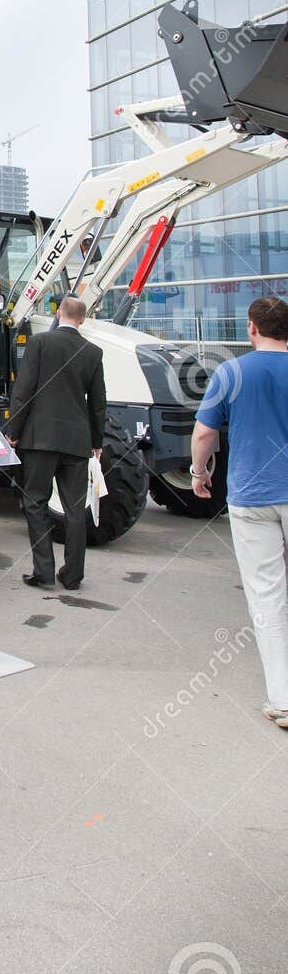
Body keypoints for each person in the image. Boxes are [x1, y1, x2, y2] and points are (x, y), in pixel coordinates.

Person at [192, 295, 288, 729]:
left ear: (252, 328)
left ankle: (282, 699)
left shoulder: (231, 372)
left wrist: (198, 473)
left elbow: (205, 432)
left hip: (252, 497)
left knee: (268, 594)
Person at [4, 295, 106, 592]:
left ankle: (44, 572)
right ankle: (73, 575)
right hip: (77, 441)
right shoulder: (93, 352)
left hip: (39, 438)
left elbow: (23, 391)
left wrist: (14, 430)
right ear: (83, 319)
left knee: (35, 502)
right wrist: (96, 442)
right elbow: (98, 403)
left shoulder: (39, 343)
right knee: (75, 509)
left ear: (58, 313)